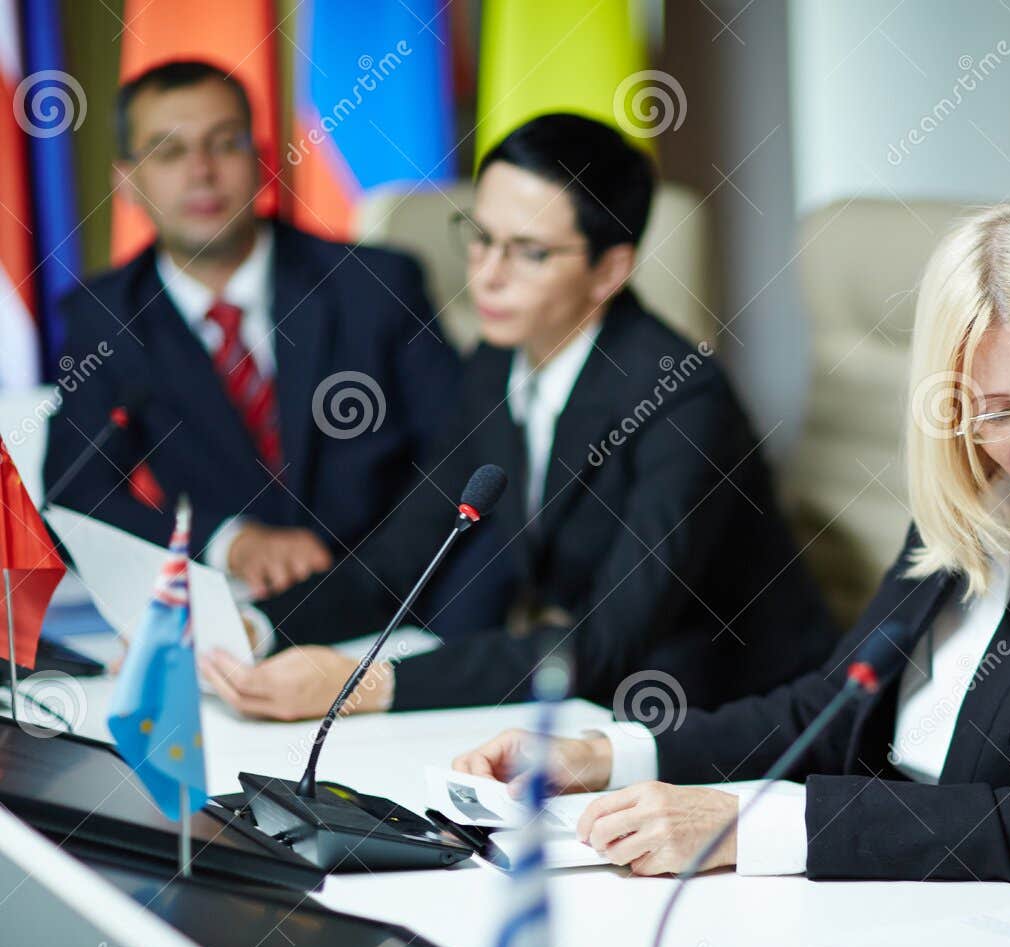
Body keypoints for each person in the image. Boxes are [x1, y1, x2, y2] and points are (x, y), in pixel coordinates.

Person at [452, 198, 1010, 898]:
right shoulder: (976, 498)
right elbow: (828, 713)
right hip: (876, 892)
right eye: (1000, 408)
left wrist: (753, 825)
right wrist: (604, 754)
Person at [202, 113, 837, 717]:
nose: (486, 277)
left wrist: (367, 683)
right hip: (591, 705)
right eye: (481, 239)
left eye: (529, 253)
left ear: (609, 269)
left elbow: (604, 641)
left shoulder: (682, 398)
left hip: (720, 720)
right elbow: (397, 562)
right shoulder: (494, 362)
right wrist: (248, 630)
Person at [45, 59, 458, 600]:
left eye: (224, 143)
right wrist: (227, 542)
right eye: (169, 152)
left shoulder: (375, 284)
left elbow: (460, 455)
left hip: (400, 597)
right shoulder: (103, 315)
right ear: (127, 183)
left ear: (261, 159)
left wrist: (369, 586)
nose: (201, 172)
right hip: (231, 607)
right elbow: (76, 500)